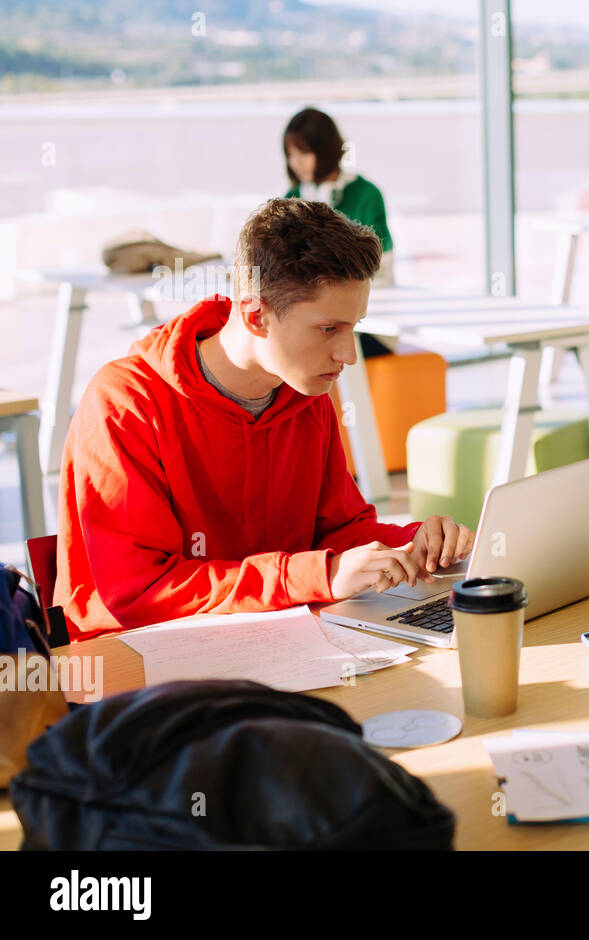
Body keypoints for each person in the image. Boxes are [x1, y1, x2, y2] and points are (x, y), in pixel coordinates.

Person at [54, 199, 474, 641]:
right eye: (329, 329)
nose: (348, 355)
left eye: (355, 327)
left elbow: (337, 529)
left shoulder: (306, 392)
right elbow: (142, 591)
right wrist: (318, 575)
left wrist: (412, 544)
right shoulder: (125, 403)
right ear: (256, 315)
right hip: (137, 658)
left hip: (275, 639)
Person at [283, 106, 395, 356]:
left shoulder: (366, 194)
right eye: (290, 154)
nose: (296, 162)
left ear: (324, 150)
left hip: (366, 324)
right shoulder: (292, 199)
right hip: (315, 322)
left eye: (304, 152)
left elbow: (381, 268)